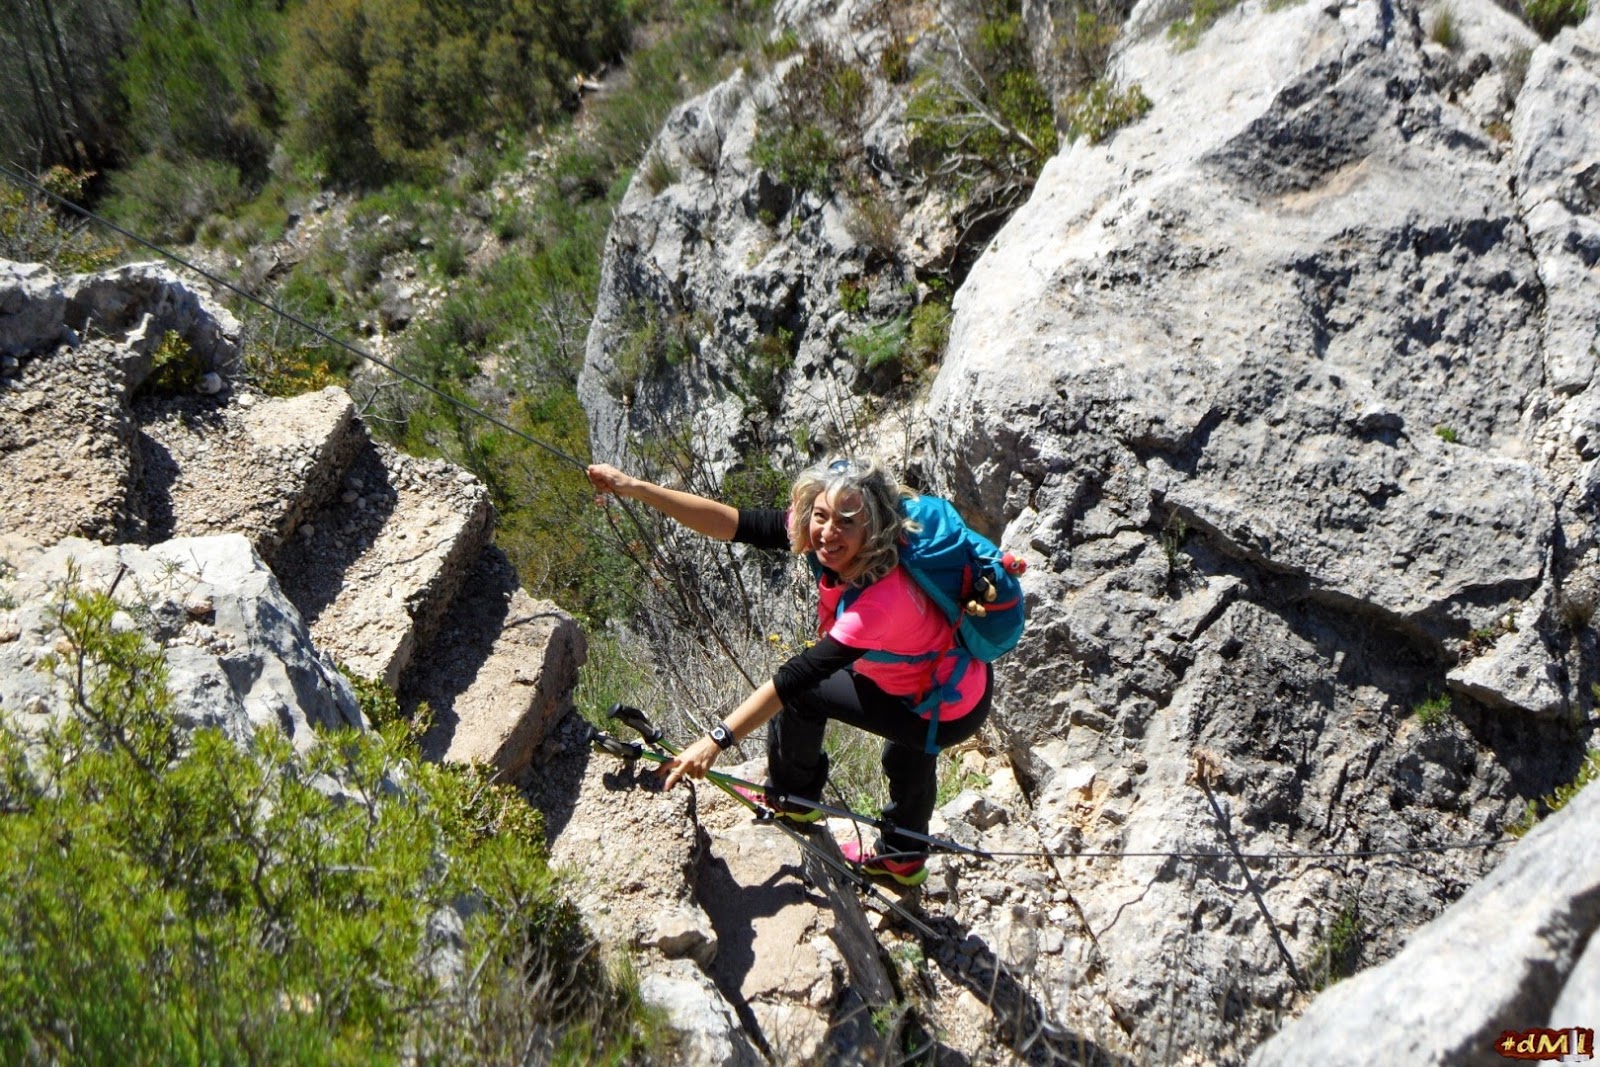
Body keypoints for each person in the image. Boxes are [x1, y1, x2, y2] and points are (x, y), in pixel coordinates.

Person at [585, 456, 993, 886]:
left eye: (845, 523)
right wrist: (634, 486)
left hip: (941, 707)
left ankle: (795, 798)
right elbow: (731, 522)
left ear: (871, 529)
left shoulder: (881, 602)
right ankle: (905, 858)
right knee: (907, 750)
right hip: (954, 679)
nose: (827, 533)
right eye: (821, 516)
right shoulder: (837, 538)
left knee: (812, 699)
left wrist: (715, 741)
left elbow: (794, 679)